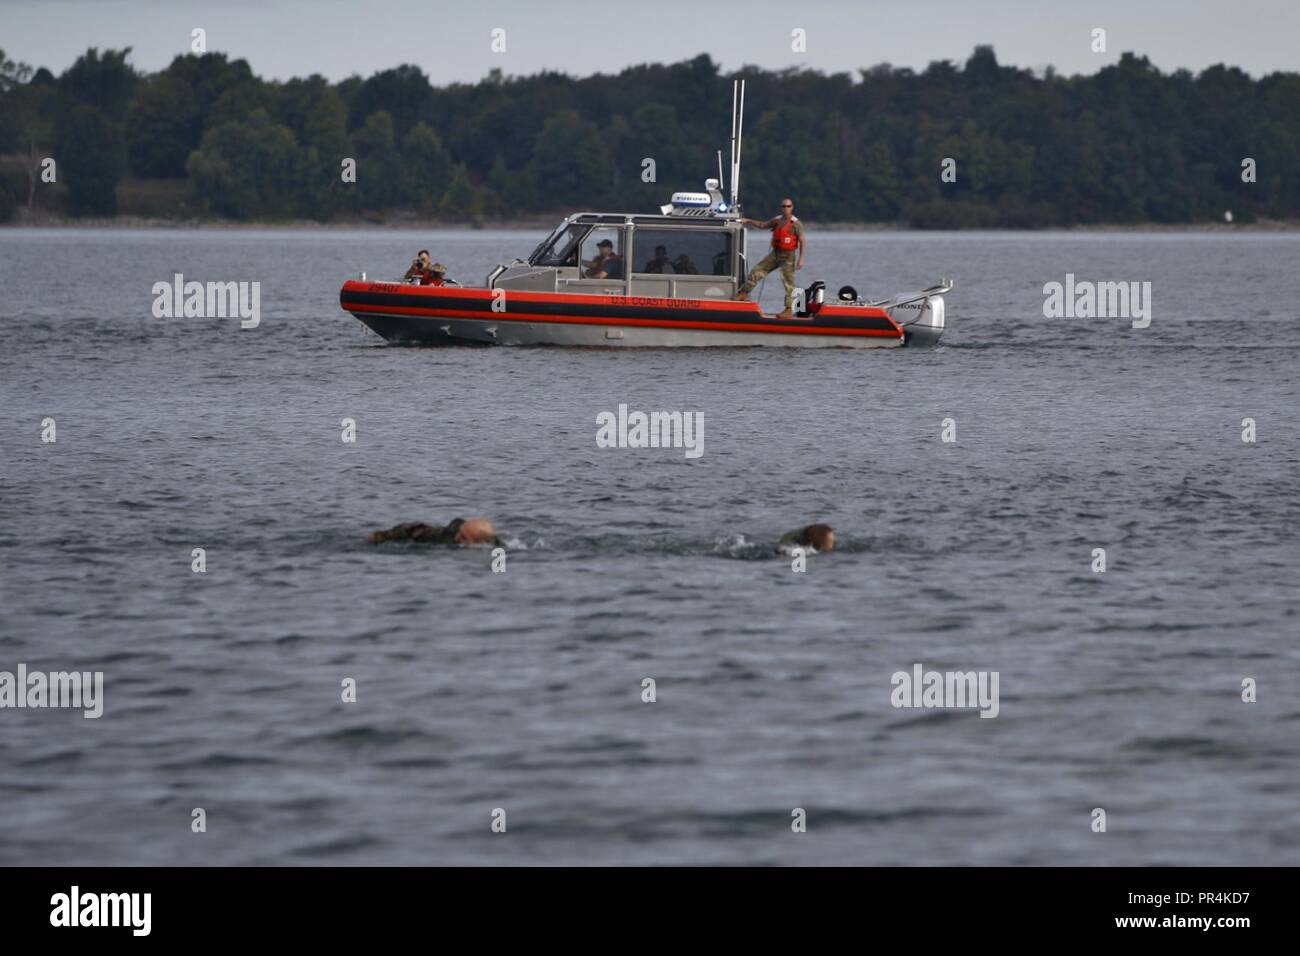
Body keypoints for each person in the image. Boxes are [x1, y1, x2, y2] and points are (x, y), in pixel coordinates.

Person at [735, 198, 806, 319]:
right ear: (781, 207)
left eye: (788, 206)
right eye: (784, 206)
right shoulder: (777, 220)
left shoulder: (796, 223)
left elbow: (802, 240)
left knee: (788, 283)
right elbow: (763, 225)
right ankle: (744, 293)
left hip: (788, 255)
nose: (786, 208)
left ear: (792, 207)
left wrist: (801, 258)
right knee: (757, 270)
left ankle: (788, 309)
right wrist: (748, 221)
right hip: (776, 253)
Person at [369, 517, 503, 547]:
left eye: (463, 537)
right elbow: (412, 529)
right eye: (459, 533)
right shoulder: (442, 538)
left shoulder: (494, 544)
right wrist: (383, 535)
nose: (457, 538)